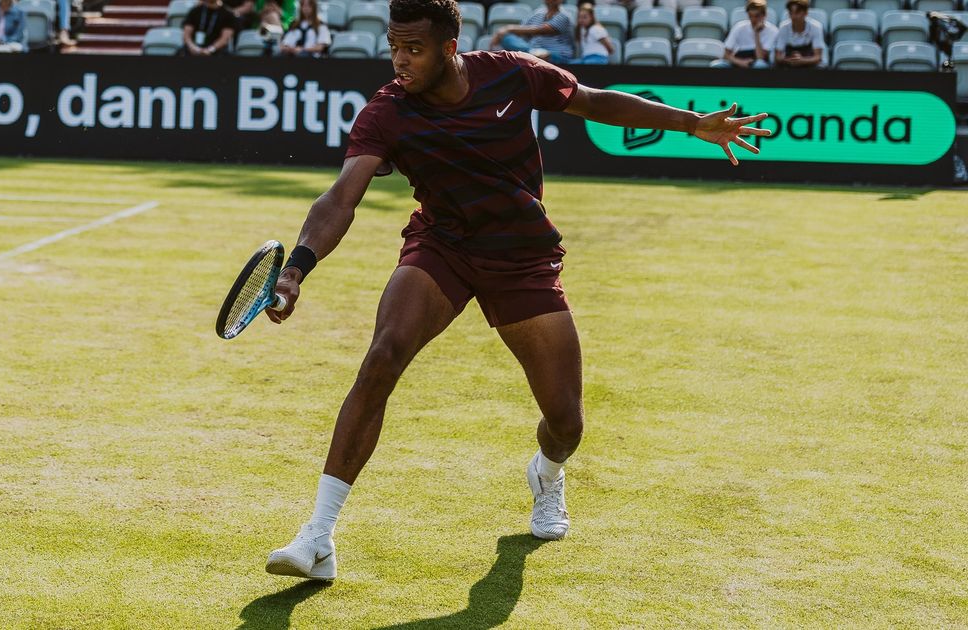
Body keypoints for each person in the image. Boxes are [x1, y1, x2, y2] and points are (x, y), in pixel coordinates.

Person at [262, 0, 771, 582]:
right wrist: (297, 267)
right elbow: (341, 197)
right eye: (393, 47)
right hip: (443, 247)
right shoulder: (389, 111)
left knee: (567, 422)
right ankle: (318, 536)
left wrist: (689, 121)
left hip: (522, 256)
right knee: (382, 356)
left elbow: (593, 100)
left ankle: (548, 474)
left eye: (414, 49)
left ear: (450, 47)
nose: (399, 60)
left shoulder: (512, 72)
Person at [490, 0, 575, 66]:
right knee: (507, 38)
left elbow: (541, 30)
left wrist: (509, 28)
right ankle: (530, 54)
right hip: (532, 50)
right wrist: (500, 34)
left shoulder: (564, 16)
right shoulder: (537, 14)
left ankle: (528, 54)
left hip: (557, 55)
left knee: (542, 54)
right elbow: (522, 30)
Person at [712, 0, 778, 68]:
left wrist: (756, 33)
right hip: (738, 59)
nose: (753, 19)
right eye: (750, 16)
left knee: (760, 65)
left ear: (764, 15)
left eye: (757, 16)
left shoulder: (773, 31)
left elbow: (760, 58)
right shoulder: (739, 27)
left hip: (757, 61)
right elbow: (726, 55)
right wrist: (740, 62)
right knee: (717, 65)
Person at [774, 0, 824, 68]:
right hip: (788, 66)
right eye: (791, 13)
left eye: (797, 12)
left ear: (806, 13)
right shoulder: (783, 27)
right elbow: (778, 57)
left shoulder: (816, 27)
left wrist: (802, 61)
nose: (793, 16)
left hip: (809, 66)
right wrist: (790, 60)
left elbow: (818, 57)